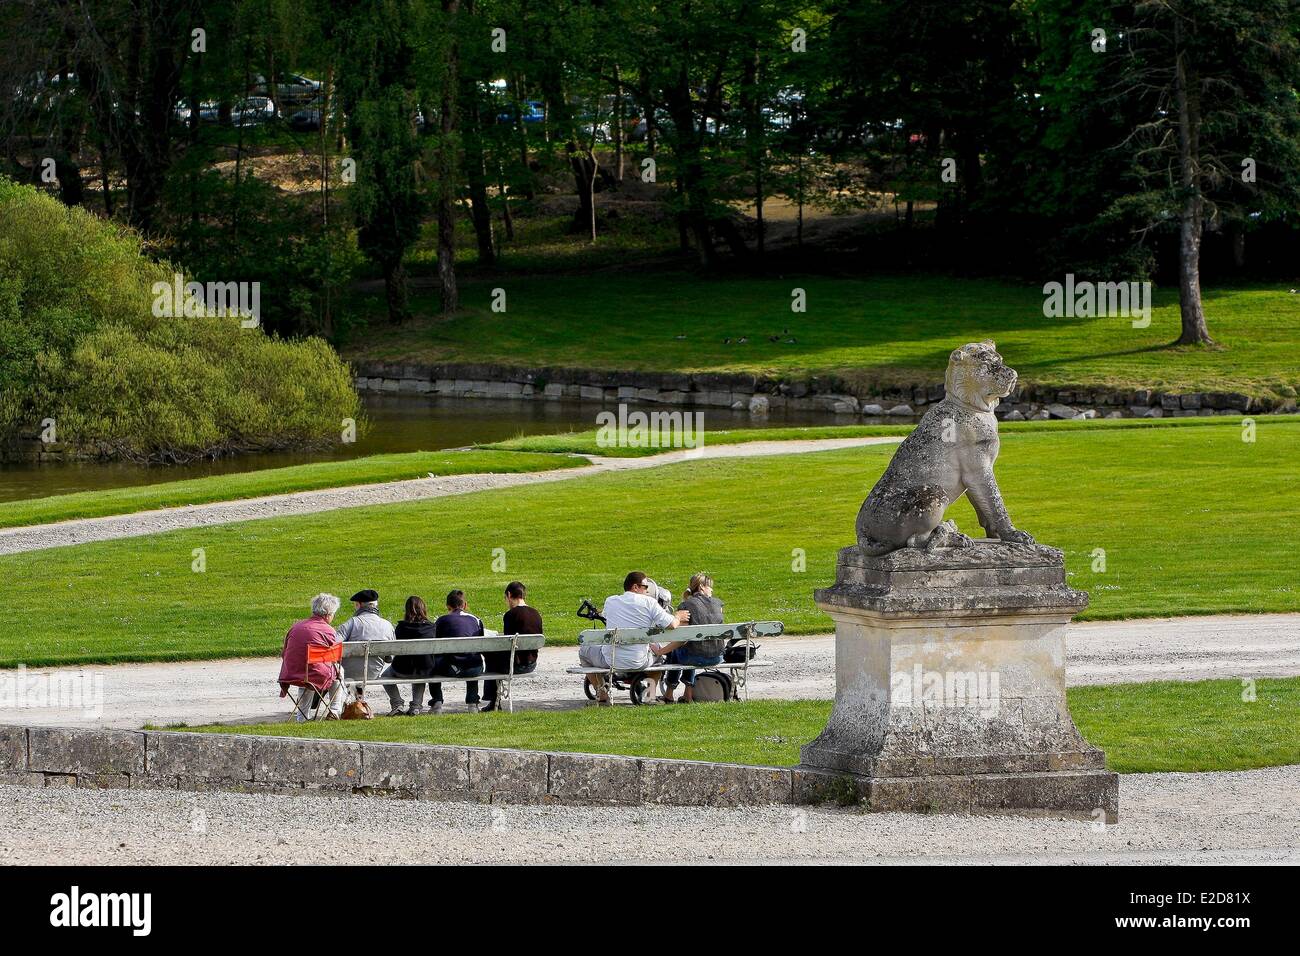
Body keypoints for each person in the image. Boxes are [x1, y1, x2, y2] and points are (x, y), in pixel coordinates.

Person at [578, 571, 689, 706]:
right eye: (645, 587)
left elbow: (606, 617)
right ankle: (649, 696)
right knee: (659, 656)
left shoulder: (610, 600)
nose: (647, 590)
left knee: (583, 651)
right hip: (640, 661)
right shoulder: (650, 602)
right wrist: (678, 616)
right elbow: (671, 624)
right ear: (635, 587)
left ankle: (601, 693)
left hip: (610, 661)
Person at [654, 573, 724, 703]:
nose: (712, 590)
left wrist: (661, 651)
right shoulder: (718, 604)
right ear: (702, 587)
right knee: (692, 647)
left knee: (679, 651)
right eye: (710, 587)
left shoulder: (686, 606)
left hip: (695, 657)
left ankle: (669, 694)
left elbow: (682, 639)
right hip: (717, 656)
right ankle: (687, 694)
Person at [277, 593, 346, 721]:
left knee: (309, 674)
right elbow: (335, 656)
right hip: (313, 673)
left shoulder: (295, 627)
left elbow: (284, 652)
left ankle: (302, 716)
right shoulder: (328, 630)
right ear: (328, 615)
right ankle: (335, 710)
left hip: (291, 672)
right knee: (338, 671)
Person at [481, 581, 543, 712]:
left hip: (514, 665)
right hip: (531, 663)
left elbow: (506, 646)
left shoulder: (510, 615)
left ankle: (493, 701)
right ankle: (493, 701)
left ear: (509, 595)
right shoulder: (536, 614)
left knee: (490, 655)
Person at [336, 590, 397, 709]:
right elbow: (389, 658)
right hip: (372, 673)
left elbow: (334, 643)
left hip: (349, 672)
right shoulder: (387, 625)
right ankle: (358, 702)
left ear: (359, 605)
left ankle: (348, 704)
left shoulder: (352, 623)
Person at [379, 596, 438, 716]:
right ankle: (416, 706)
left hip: (402, 669)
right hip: (424, 669)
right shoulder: (431, 627)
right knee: (420, 670)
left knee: (385, 676)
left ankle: (397, 703)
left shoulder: (401, 627)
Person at [428, 590, 486, 713]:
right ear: (465, 605)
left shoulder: (442, 620)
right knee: (472, 657)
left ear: (447, 606)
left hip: (450, 668)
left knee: (432, 663)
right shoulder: (476, 620)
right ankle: (472, 703)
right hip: (474, 668)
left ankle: (437, 701)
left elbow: (435, 646)